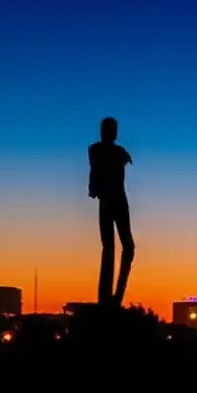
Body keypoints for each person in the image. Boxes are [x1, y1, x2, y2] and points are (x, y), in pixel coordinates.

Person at [89, 117, 134, 306]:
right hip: (111, 200)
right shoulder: (104, 151)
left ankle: (113, 297)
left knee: (117, 247)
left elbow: (95, 173)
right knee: (114, 248)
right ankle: (109, 297)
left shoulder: (111, 151)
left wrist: (94, 188)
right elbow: (95, 170)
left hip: (112, 200)